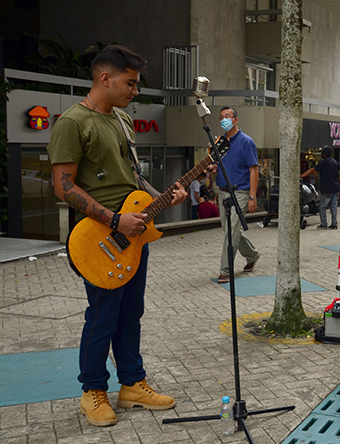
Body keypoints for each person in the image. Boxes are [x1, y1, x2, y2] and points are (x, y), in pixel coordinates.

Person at [47, 45, 185, 427]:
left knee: (131, 314)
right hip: (99, 238)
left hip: (133, 237)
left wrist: (160, 197)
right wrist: (114, 221)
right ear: (105, 78)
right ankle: (93, 391)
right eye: (130, 82)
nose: (135, 90)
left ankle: (132, 386)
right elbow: (63, 187)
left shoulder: (122, 120)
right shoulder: (73, 123)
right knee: (102, 318)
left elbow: (131, 177)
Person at [209, 106, 261, 284]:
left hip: (240, 192)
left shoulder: (246, 141)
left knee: (230, 232)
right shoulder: (220, 142)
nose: (224, 119)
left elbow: (254, 170)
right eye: (221, 117)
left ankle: (225, 270)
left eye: (228, 116)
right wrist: (213, 167)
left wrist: (252, 197)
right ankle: (252, 255)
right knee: (230, 231)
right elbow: (218, 164)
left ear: (236, 120)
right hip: (223, 192)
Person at [301, 146, 340, 229]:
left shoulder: (323, 162)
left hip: (327, 188)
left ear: (325, 154)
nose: (321, 154)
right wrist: (337, 180)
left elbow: (311, 170)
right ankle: (334, 224)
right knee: (333, 206)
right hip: (335, 187)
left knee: (322, 206)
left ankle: (324, 224)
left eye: (322, 153)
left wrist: (300, 176)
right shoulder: (334, 161)